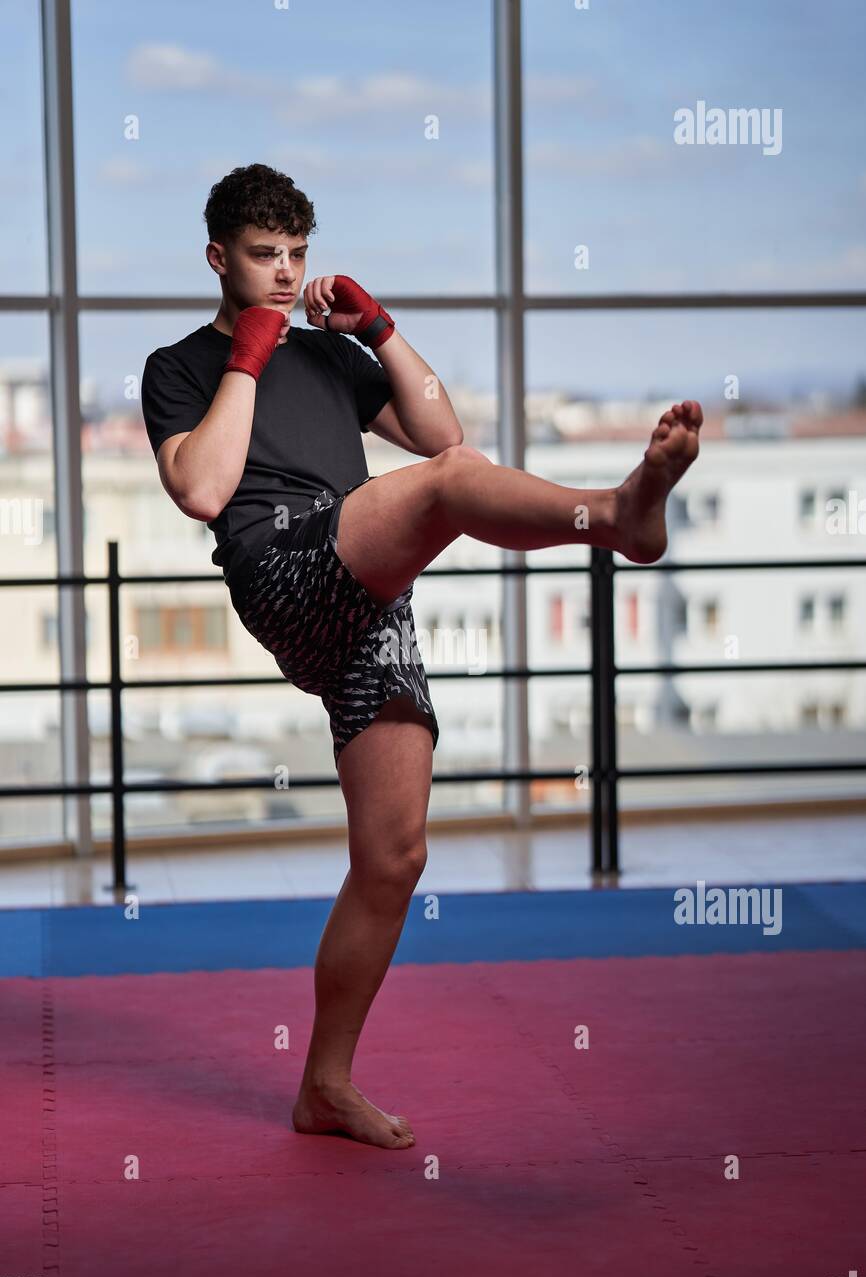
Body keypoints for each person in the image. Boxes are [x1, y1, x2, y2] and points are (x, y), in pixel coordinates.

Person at [141, 163, 703, 1150]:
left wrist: (381, 331)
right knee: (446, 488)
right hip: (285, 569)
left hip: (367, 597)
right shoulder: (178, 367)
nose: (285, 273)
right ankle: (615, 516)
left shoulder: (330, 356)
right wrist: (250, 357)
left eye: (297, 254)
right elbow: (202, 489)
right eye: (265, 255)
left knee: (393, 857)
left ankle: (323, 1086)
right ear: (217, 258)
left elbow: (444, 433)